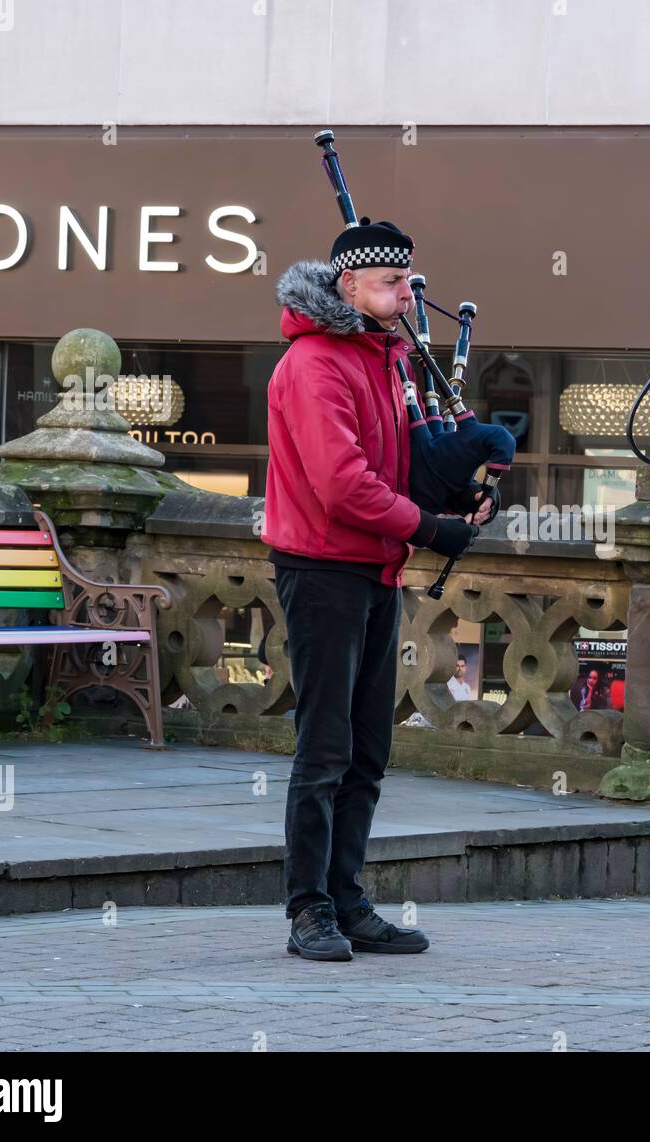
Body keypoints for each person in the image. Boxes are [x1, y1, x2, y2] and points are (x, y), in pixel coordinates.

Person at [263, 219, 494, 962]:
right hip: (323, 567)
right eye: (392, 284)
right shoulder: (313, 364)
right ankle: (309, 910)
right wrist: (431, 530)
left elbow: (396, 473)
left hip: (375, 568)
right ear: (348, 286)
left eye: (405, 281)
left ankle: (349, 898)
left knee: (368, 748)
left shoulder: (385, 360)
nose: (406, 294)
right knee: (324, 746)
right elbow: (341, 486)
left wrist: (453, 501)